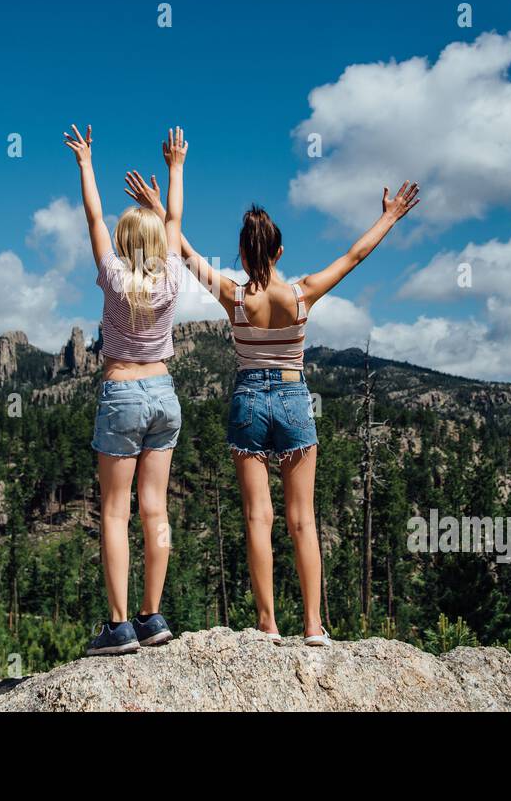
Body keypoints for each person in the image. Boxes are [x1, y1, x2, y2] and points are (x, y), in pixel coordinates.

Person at [125, 170, 420, 644]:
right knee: (302, 519)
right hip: (293, 397)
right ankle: (314, 625)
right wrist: (388, 217)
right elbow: (355, 255)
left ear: (243, 253)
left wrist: (160, 209)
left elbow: (182, 251)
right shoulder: (303, 293)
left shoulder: (234, 296)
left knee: (258, 518)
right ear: (278, 252)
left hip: (248, 400)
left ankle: (267, 623)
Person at [67, 124, 188, 655]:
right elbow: (176, 220)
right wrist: (175, 168)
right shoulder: (173, 277)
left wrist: (86, 164)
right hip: (164, 395)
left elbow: (94, 216)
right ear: (160, 244)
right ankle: (152, 616)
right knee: (155, 511)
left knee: (115, 512)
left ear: (122, 244)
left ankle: (118, 626)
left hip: (122, 395)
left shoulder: (115, 278)